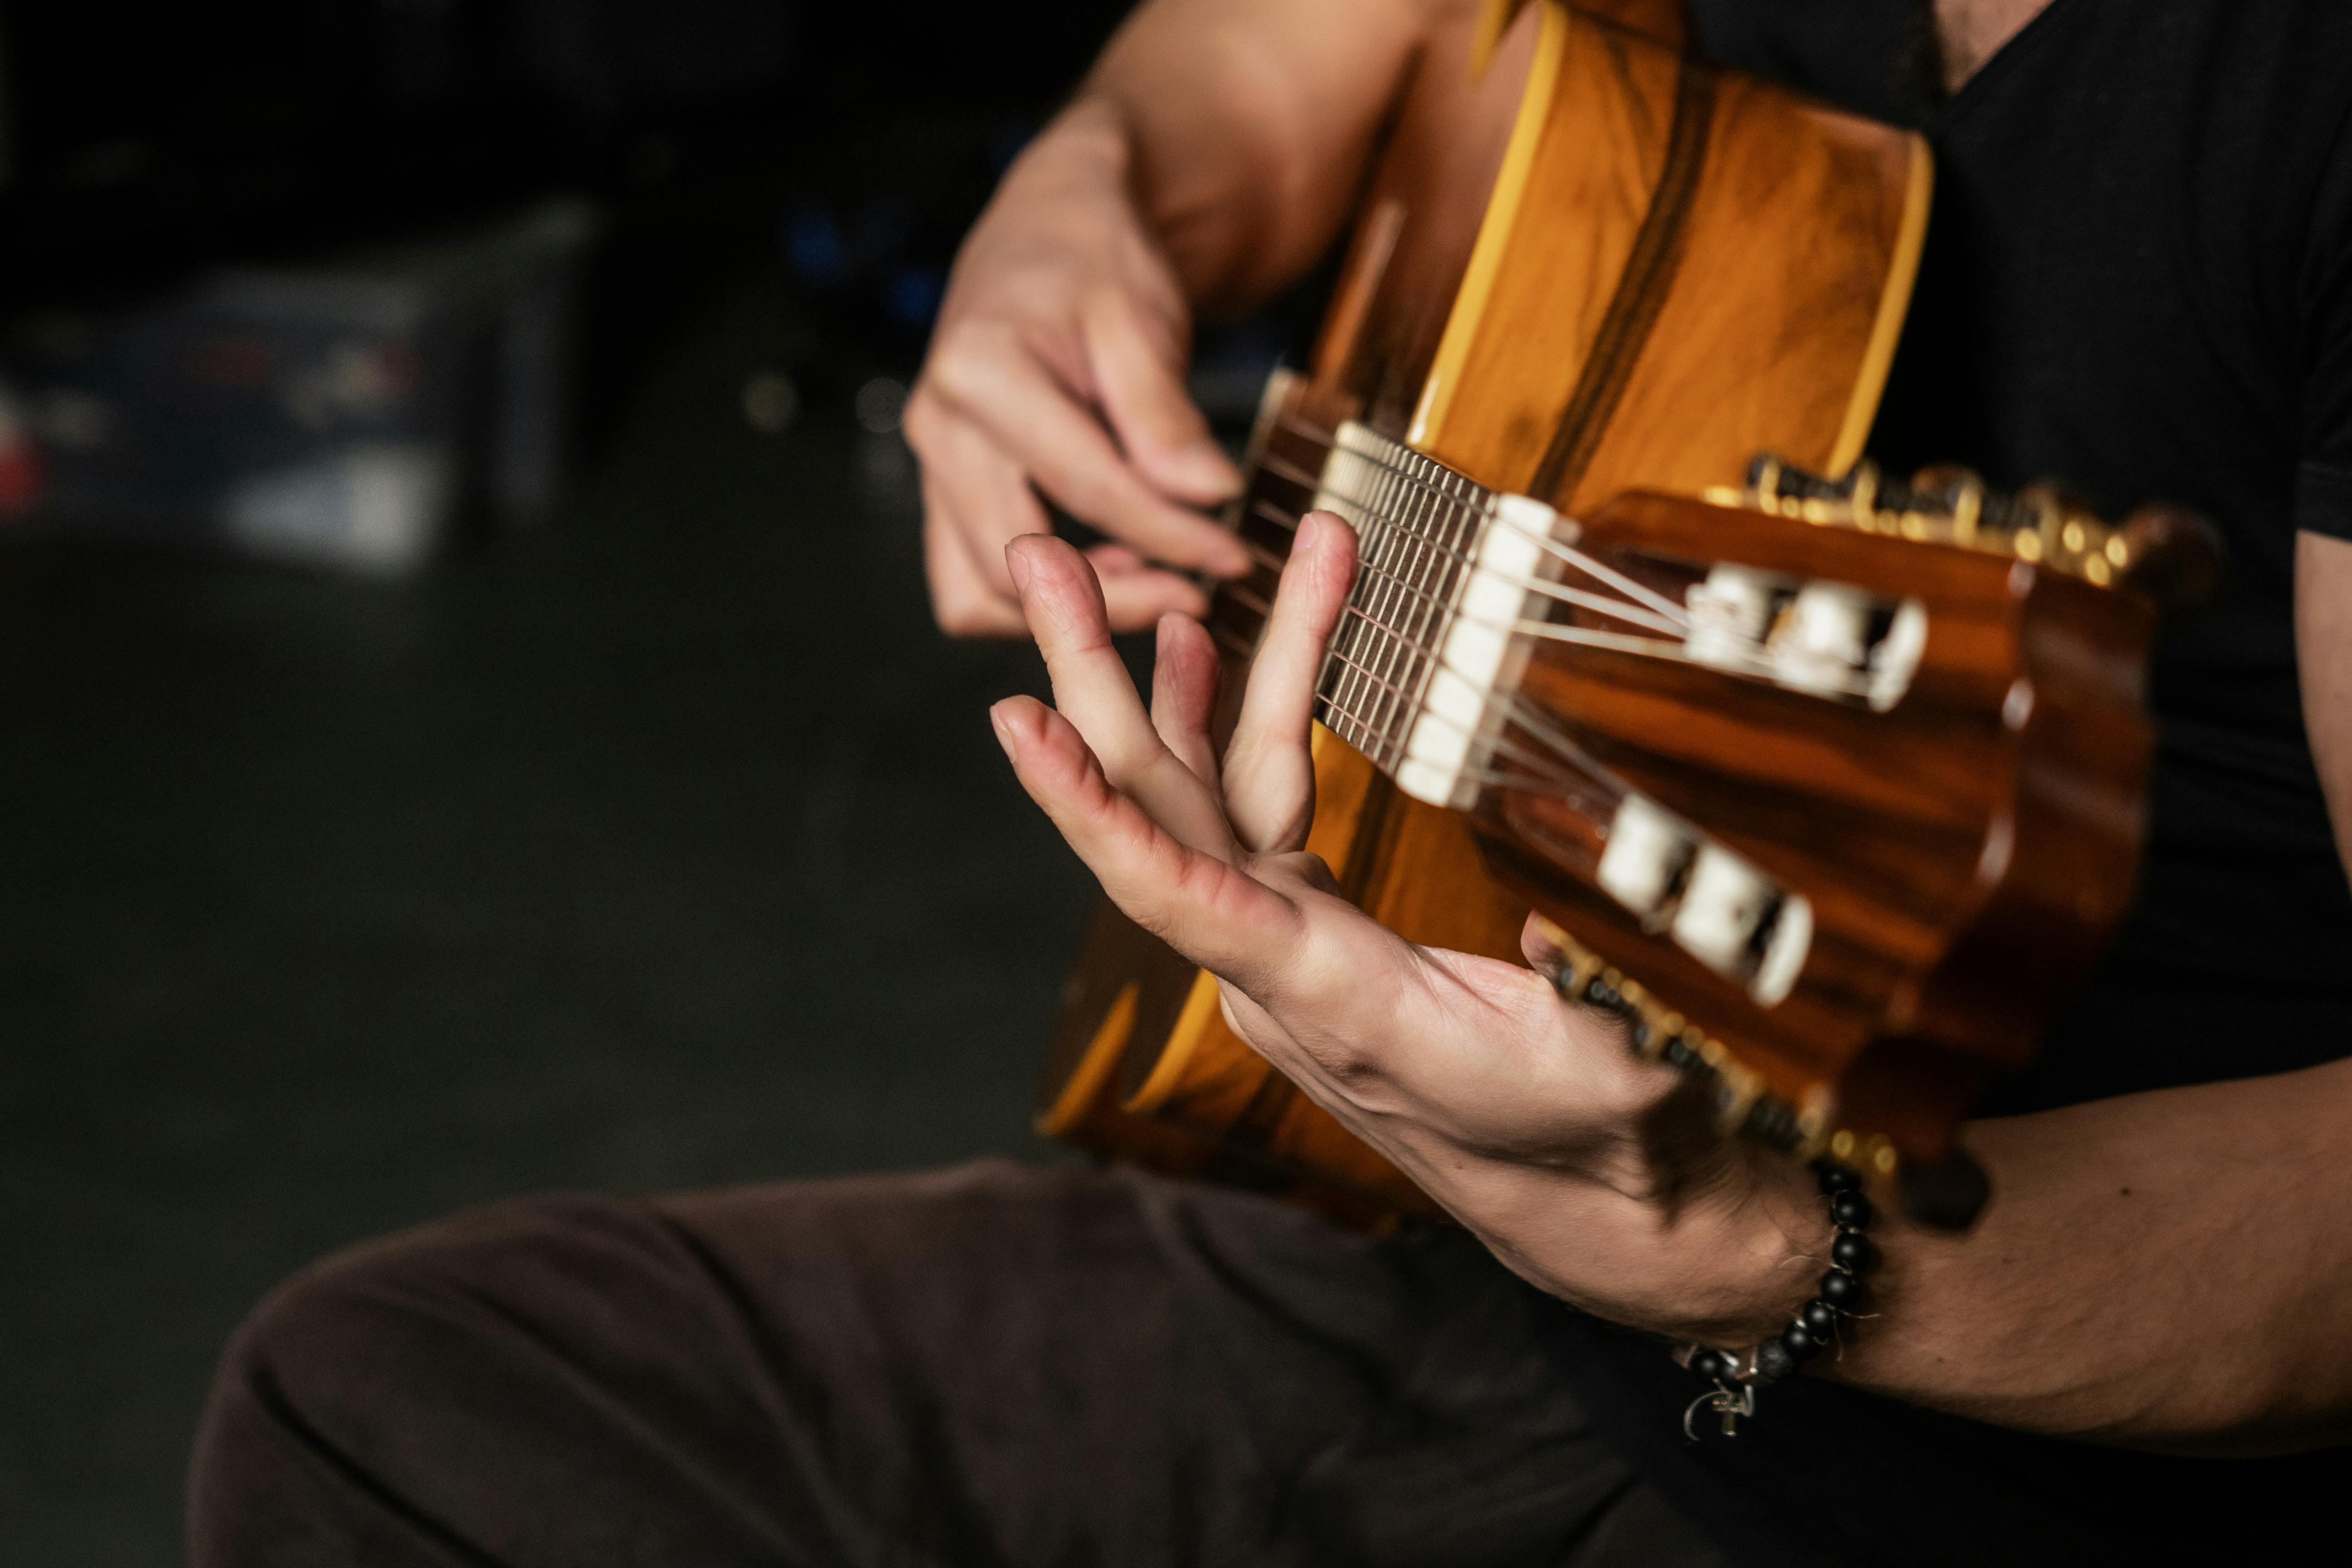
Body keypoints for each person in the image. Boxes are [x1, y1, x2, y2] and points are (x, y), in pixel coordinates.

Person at [190, 1, 2352, 1563]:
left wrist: (1750, 1249)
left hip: (1990, 1422)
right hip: (1440, 1245)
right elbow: (1264, 57)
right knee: (394, 1402)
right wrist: (1083, 193)